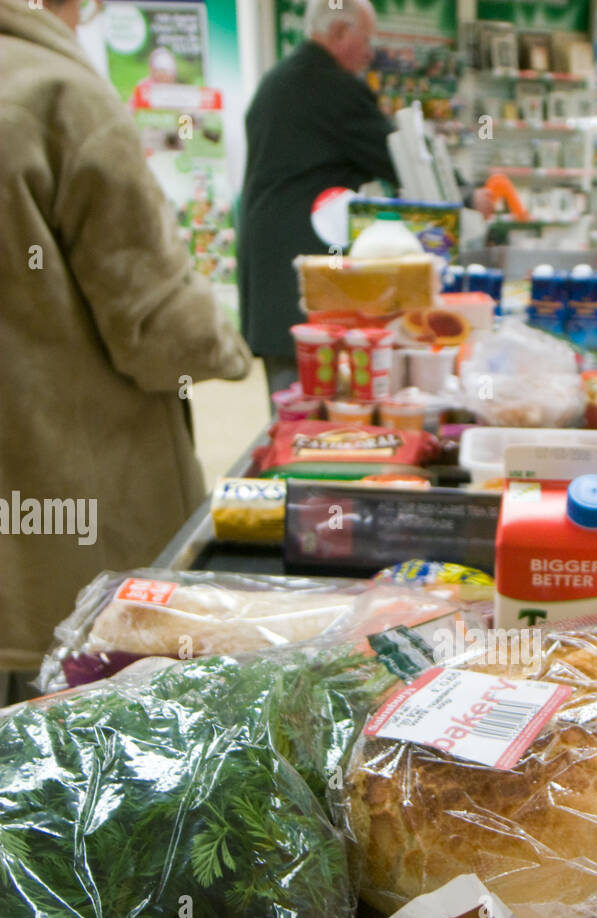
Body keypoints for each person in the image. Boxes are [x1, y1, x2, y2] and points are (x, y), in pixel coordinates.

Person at [0, 0, 251, 685]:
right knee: (92, 726)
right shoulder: (57, 96)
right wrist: (229, 347)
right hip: (72, 502)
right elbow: (153, 323)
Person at [239, 0, 494, 401]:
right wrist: (464, 196)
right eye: (366, 39)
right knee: (320, 399)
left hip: (270, 274)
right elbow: (394, 152)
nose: (371, 52)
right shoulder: (331, 85)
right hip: (308, 276)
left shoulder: (278, 81)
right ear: (339, 34)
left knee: (291, 401)